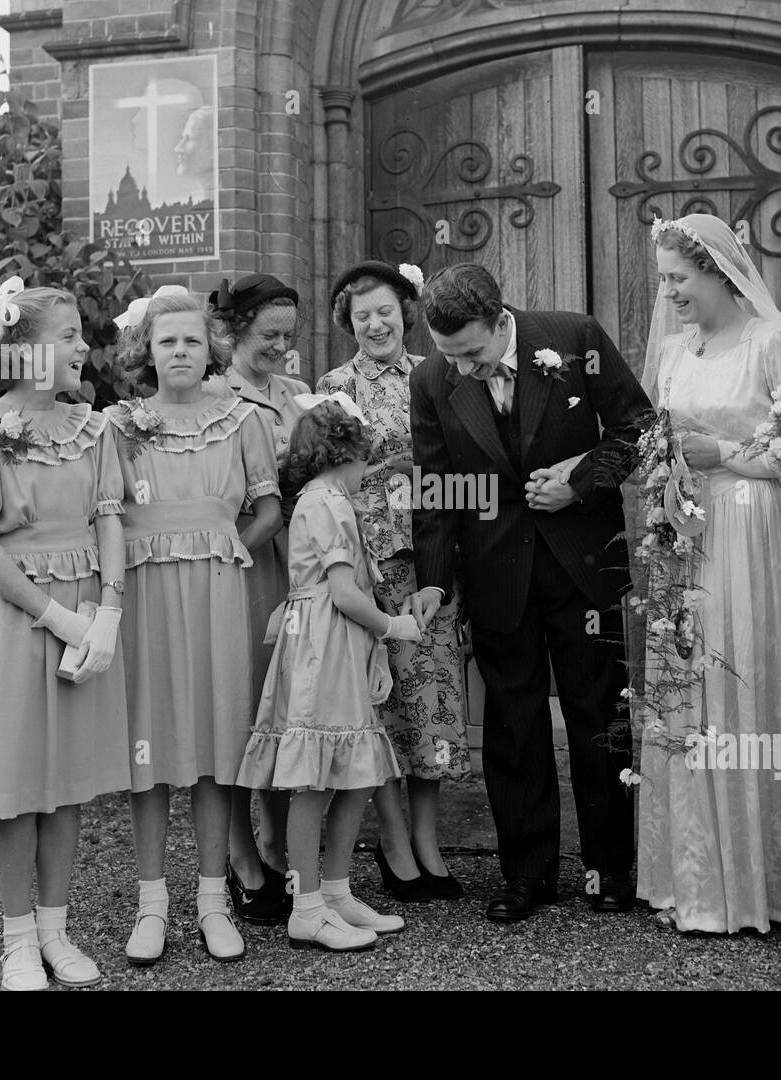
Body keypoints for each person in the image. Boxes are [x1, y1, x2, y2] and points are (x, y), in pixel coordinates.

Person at [406, 263, 654, 921]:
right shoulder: (433, 378)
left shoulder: (576, 338)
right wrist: (433, 581)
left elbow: (638, 429)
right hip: (495, 574)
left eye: (474, 354)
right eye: (449, 356)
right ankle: (527, 875)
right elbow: (436, 486)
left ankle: (610, 868)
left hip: (584, 564)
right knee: (513, 728)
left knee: (599, 717)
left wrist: (583, 478)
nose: (462, 370)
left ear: (499, 317)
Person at [0, 279, 130, 990]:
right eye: (68, 334)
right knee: (17, 781)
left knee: (68, 781)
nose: (84, 345)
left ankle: (56, 928)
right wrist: (60, 619)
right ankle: (17, 940)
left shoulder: (97, 428)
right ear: (24, 353)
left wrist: (108, 610)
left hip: (86, 608)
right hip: (13, 621)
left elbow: (109, 519)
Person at [636, 215, 781, 933]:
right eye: (664, 280)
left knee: (744, 677)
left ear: (717, 271)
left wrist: (726, 460)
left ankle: (764, 881)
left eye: (679, 278)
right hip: (685, 535)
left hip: (751, 528)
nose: (669, 292)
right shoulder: (676, 351)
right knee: (686, 687)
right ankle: (696, 878)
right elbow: (660, 436)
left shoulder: (774, 343)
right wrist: (668, 474)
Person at [106, 288, 282, 965]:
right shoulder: (119, 424)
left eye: (190, 341)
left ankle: (213, 899)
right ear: (146, 352)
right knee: (149, 752)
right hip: (147, 593)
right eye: (165, 341)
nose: (179, 351)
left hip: (217, 593)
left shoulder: (244, 419)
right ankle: (152, 902)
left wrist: (237, 541)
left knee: (213, 745)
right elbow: (105, 512)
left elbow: (268, 508)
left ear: (211, 348)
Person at [236, 399, 422, 950]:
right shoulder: (329, 504)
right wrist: (394, 628)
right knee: (314, 780)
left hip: (337, 646)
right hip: (324, 648)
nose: (369, 471)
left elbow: (349, 589)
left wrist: (376, 652)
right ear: (347, 453)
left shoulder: (324, 500)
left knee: (357, 771)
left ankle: (335, 892)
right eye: (365, 459)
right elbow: (343, 594)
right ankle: (308, 907)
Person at [320, 260, 469, 901]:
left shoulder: (436, 374)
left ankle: (429, 839)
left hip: (428, 561)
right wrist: (391, 466)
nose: (375, 324)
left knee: (432, 701)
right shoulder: (334, 386)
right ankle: (393, 840)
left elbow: (463, 465)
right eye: (362, 316)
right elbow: (328, 476)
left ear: (405, 311)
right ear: (348, 324)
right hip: (367, 563)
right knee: (377, 703)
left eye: (385, 311)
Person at [205, 274, 311, 924]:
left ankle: (278, 846)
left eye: (288, 336)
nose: (279, 346)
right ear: (233, 331)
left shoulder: (299, 395)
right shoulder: (215, 399)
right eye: (268, 334)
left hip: (296, 563)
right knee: (239, 706)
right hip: (244, 564)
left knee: (284, 708)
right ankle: (241, 861)